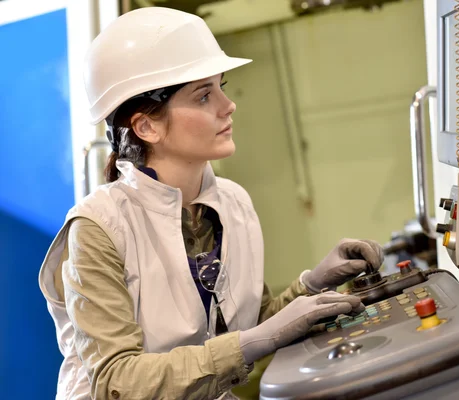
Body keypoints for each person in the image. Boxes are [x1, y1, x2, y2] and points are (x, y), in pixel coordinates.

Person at [39, 7, 384, 400]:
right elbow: (119, 382)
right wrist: (257, 338)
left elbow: (249, 327)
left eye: (222, 86)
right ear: (146, 126)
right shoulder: (98, 229)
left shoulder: (233, 203)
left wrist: (312, 284)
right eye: (204, 95)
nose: (228, 104)